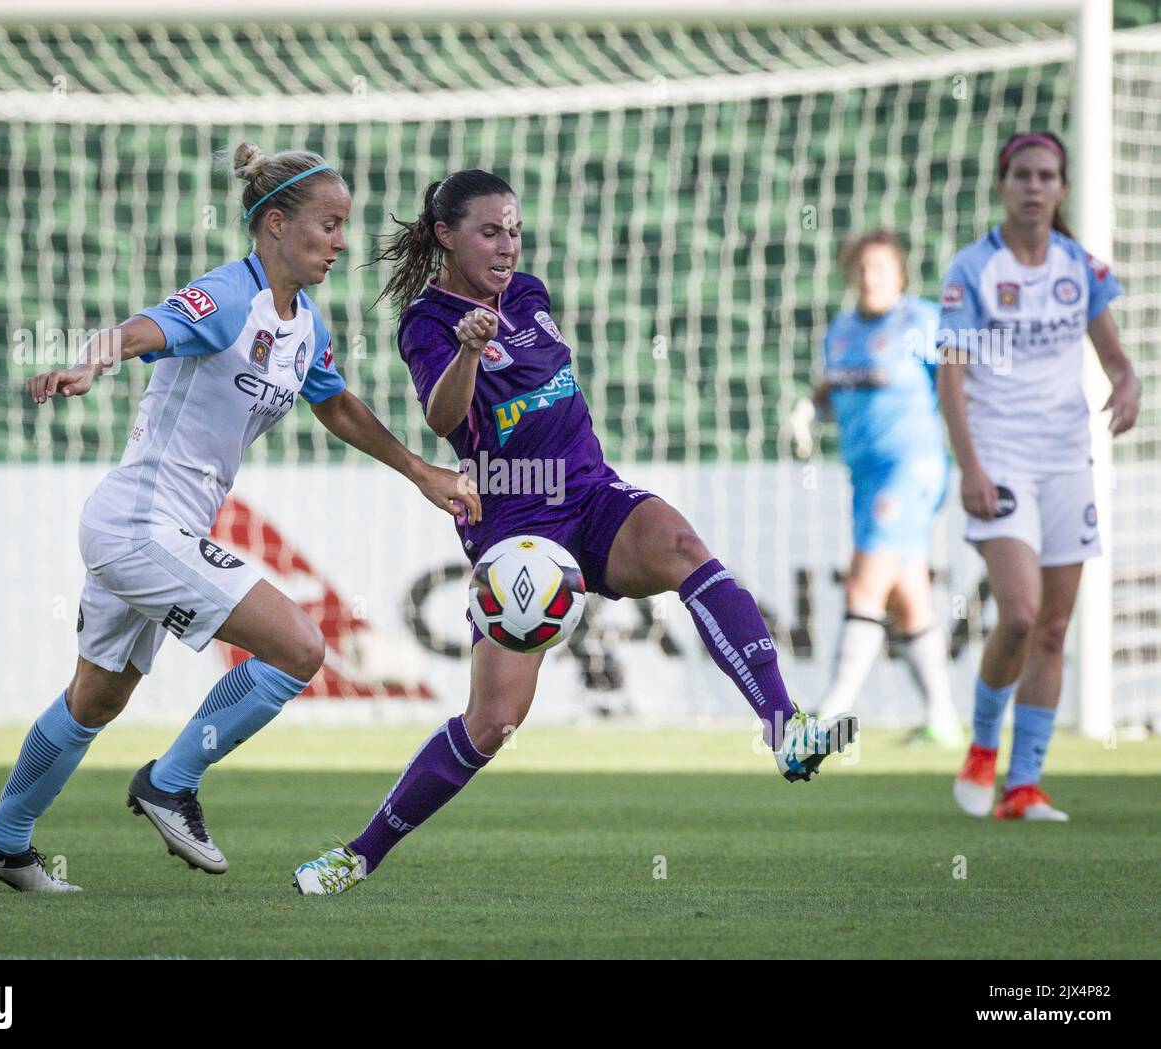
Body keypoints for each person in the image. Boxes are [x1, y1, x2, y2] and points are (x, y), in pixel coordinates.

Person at [291, 169, 858, 895]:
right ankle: (356, 855)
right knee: (493, 722)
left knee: (687, 550)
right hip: (519, 530)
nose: (506, 246)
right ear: (446, 236)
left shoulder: (529, 295)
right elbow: (441, 418)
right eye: (489, 232)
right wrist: (468, 349)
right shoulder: (427, 323)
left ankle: (786, 726)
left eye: (514, 230)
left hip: (590, 493)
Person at [0, 143, 480, 892]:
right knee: (300, 647)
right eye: (328, 224)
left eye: (344, 226)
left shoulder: (304, 326)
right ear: (275, 225)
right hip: (139, 525)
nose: (340, 241)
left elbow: (334, 403)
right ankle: (170, 780)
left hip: (154, 529)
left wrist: (421, 471)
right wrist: (91, 360)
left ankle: (2, 840)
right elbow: (147, 327)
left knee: (97, 698)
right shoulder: (227, 296)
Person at [939, 131, 1140, 821]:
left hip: (1066, 461)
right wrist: (969, 465)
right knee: (1019, 614)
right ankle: (982, 748)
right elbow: (952, 374)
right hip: (999, 456)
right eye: (1022, 174)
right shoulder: (972, 268)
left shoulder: (1079, 265)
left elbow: (1113, 355)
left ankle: (1023, 786)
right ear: (1003, 183)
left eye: (1046, 175)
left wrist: (1129, 381)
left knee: (1054, 627)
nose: (1033, 186)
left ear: (1063, 188)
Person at [795, 231, 960, 746]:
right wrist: (809, 408)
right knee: (909, 599)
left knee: (864, 583)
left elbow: (960, 384)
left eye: (881, 269)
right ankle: (944, 721)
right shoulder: (843, 328)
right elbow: (833, 381)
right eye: (863, 268)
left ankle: (831, 714)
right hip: (865, 474)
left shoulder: (922, 321)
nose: (871, 278)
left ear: (901, 275)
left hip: (911, 468)